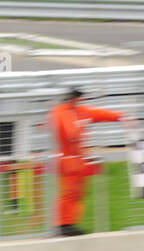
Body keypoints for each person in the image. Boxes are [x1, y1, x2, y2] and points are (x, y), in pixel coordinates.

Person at [47, 87, 136, 237]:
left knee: (77, 194)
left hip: (78, 159)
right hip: (67, 159)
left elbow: (99, 114)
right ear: (72, 98)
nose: (80, 101)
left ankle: (70, 223)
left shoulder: (80, 111)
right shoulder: (60, 112)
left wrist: (121, 116)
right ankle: (62, 224)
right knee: (68, 193)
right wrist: (79, 132)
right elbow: (70, 133)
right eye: (77, 98)